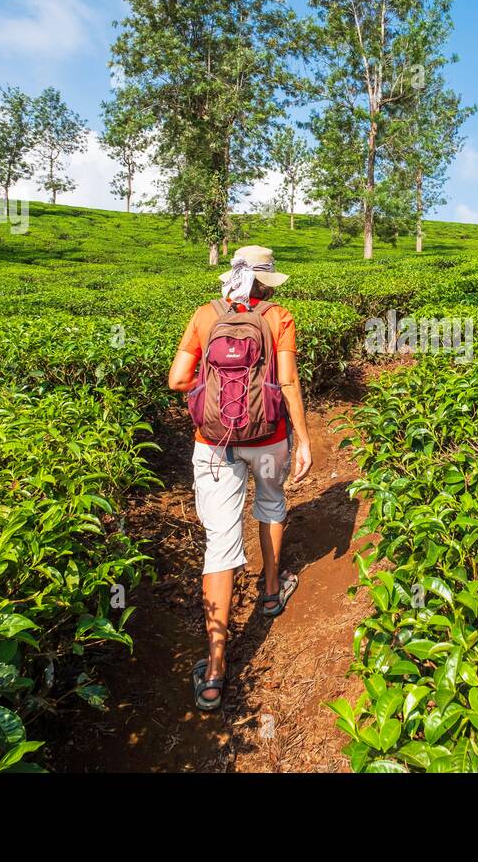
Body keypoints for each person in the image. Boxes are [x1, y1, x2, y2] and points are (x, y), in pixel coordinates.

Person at [167, 246, 313, 711]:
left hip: (212, 443)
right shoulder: (278, 316)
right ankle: (271, 594)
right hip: (269, 438)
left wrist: (214, 392)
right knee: (270, 504)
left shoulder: (205, 315)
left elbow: (176, 380)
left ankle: (214, 669)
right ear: (267, 281)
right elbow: (287, 383)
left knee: (221, 542)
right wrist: (304, 439)